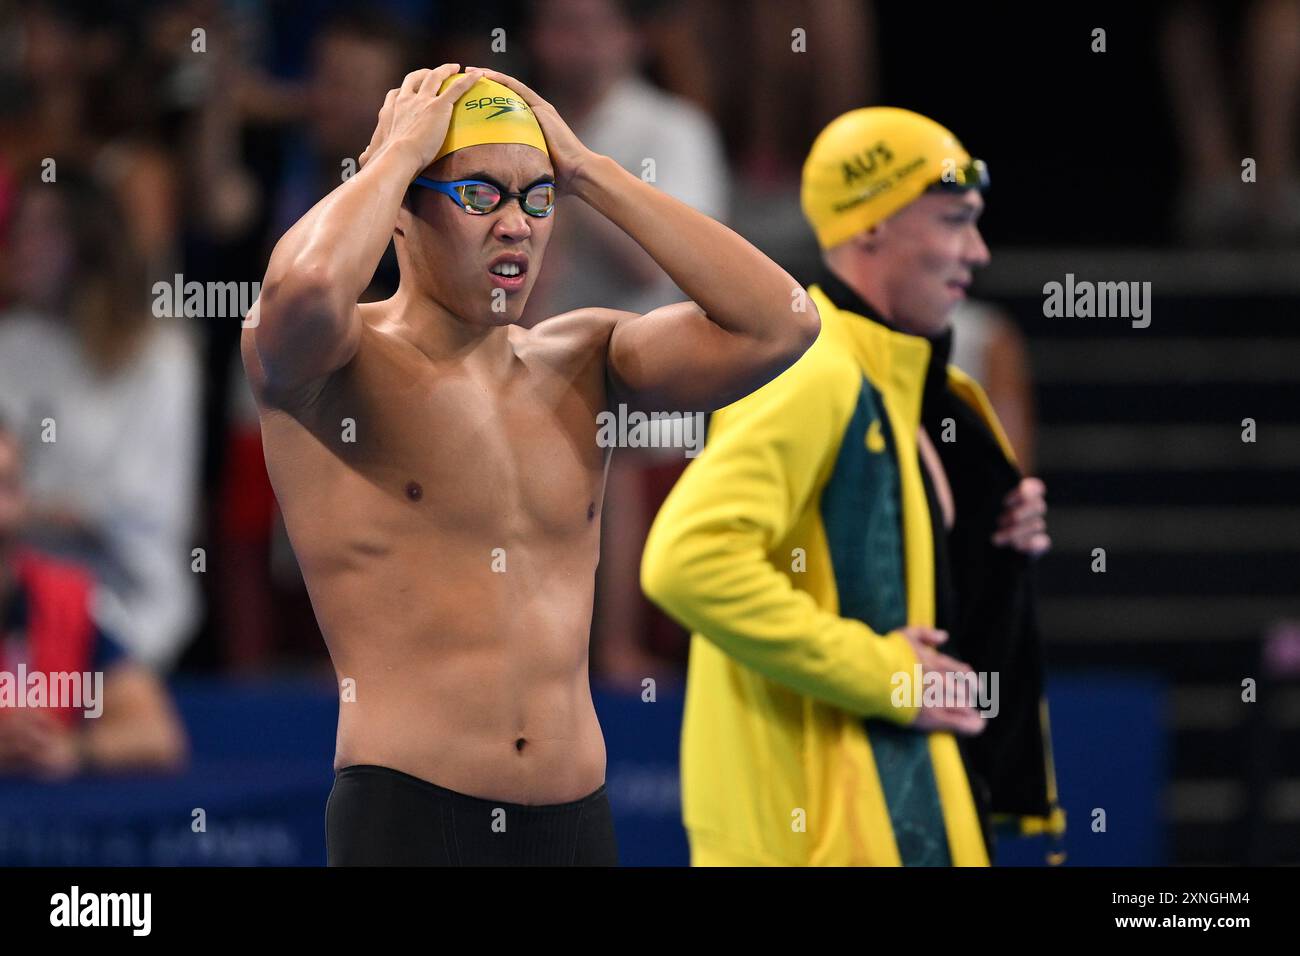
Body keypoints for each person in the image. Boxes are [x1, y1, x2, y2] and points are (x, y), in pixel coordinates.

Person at [241, 64, 819, 866]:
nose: (516, 225)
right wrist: (392, 156)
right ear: (401, 215)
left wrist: (590, 170)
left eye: (536, 199)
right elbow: (302, 286)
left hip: (574, 823)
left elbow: (783, 324)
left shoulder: (586, 357)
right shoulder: (334, 369)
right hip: (410, 817)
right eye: (480, 195)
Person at [642, 107, 1065, 866]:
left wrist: (985, 540)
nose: (978, 251)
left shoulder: (923, 392)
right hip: (815, 828)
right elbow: (687, 560)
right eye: (953, 222)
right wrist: (884, 674)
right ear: (871, 225)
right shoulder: (814, 372)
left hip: (888, 807)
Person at [0, 420, 188, 778]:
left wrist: (74, 748)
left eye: (6, 486)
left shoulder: (67, 601)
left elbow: (158, 735)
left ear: (24, 500)